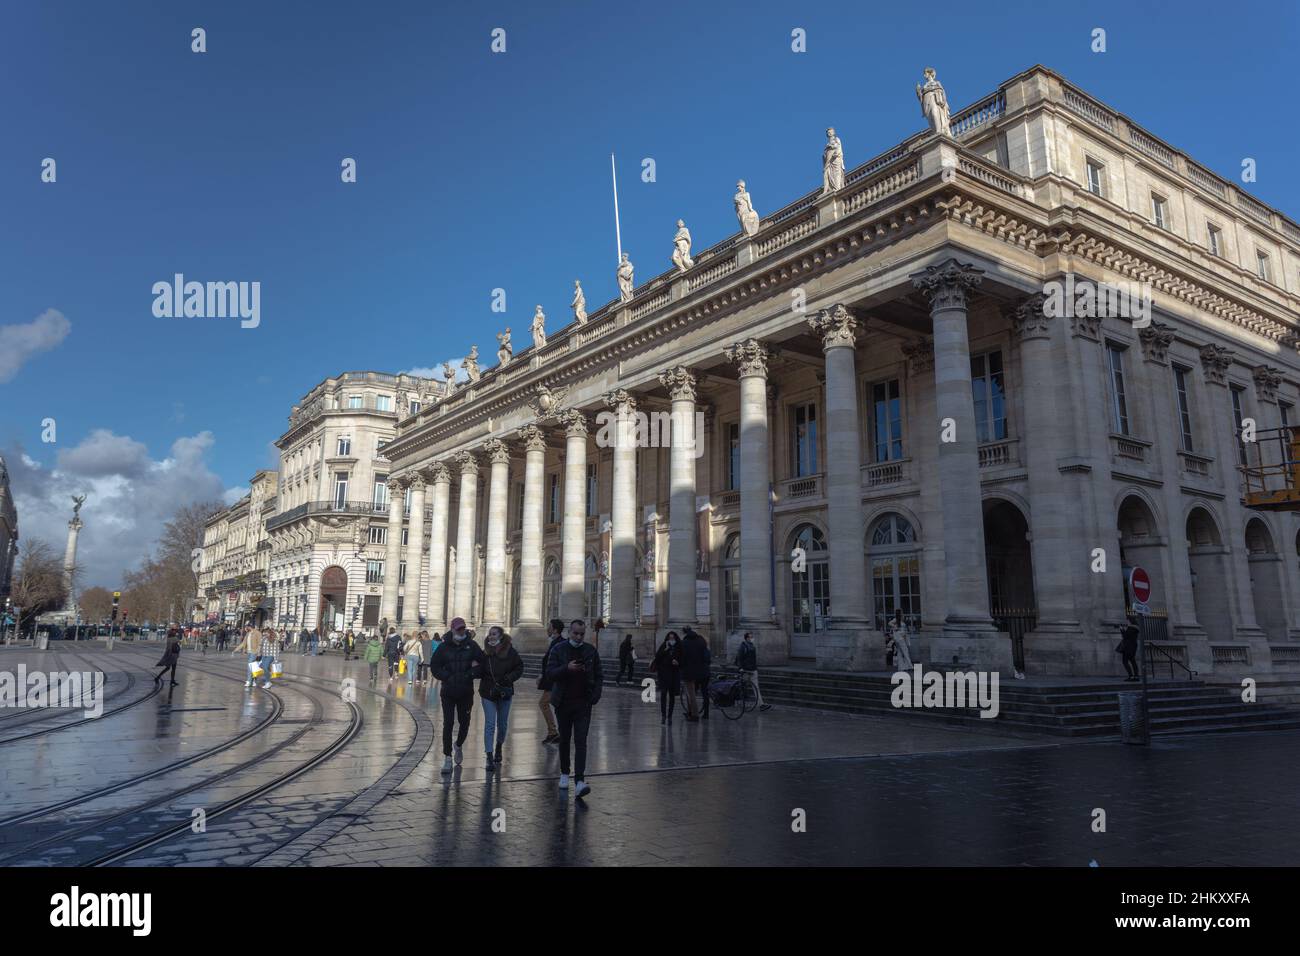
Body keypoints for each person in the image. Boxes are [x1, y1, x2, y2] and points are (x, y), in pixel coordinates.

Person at [544, 619, 602, 798]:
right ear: (570, 632)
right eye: (576, 633)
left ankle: (579, 780)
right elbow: (550, 673)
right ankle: (563, 773)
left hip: (583, 703)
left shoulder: (590, 651)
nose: (578, 637)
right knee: (565, 739)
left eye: (582, 634)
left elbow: (599, 675)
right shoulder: (558, 649)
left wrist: (595, 696)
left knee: (581, 741)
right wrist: (566, 668)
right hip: (563, 702)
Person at [431, 617, 484, 773]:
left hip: (466, 691)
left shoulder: (472, 645)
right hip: (448, 691)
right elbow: (435, 666)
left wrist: (471, 673)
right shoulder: (443, 647)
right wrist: (447, 676)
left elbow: (482, 664)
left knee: (465, 722)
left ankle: (458, 745)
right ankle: (447, 757)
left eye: (463, 628)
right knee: (448, 723)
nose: (461, 631)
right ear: (452, 629)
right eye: (458, 629)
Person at [479, 625, 523, 770]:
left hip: (504, 692)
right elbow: (479, 669)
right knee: (490, 724)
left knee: (502, 725)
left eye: (494, 634)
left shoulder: (510, 651)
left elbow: (519, 668)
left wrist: (509, 678)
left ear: (501, 636)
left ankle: (498, 745)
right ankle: (489, 756)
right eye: (490, 634)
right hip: (488, 692)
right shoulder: (485, 652)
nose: (491, 636)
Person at [536, 619, 565, 745]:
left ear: (555, 630)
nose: (547, 629)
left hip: (554, 681)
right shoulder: (555, 642)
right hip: (551, 680)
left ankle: (553, 732)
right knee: (549, 704)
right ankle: (554, 732)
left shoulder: (560, 643)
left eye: (549, 626)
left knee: (544, 703)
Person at [651, 631, 682, 724]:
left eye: (673, 638)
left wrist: (678, 662)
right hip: (663, 674)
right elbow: (657, 657)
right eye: (670, 638)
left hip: (674, 674)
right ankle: (663, 715)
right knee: (663, 694)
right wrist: (666, 649)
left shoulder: (679, 646)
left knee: (672, 696)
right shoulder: (664, 645)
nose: (671, 640)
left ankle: (670, 716)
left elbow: (683, 658)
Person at [679, 626, 710, 721]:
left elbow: (682, 659)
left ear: (684, 633)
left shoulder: (685, 643)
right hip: (704, 670)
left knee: (691, 694)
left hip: (690, 672)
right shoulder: (701, 640)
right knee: (704, 693)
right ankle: (704, 713)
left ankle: (694, 715)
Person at [735, 631, 771, 711]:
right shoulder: (743, 646)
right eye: (751, 637)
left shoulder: (752, 646)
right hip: (745, 670)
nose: (752, 638)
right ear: (747, 638)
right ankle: (735, 700)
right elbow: (739, 658)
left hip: (753, 670)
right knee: (741, 686)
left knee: (756, 688)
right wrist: (740, 668)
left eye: (752, 637)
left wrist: (755, 668)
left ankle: (761, 704)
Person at [236, 626, 272, 690]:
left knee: (250, 666)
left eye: (246, 627)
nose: (245, 628)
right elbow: (244, 642)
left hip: (254, 652)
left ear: (249, 627)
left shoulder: (257, 633)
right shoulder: (248, 633)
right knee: (253, 667)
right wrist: (237, 649)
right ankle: (254, 681)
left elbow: (260, 643)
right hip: (249, 652)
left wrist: (258, 652)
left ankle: (249, 681)